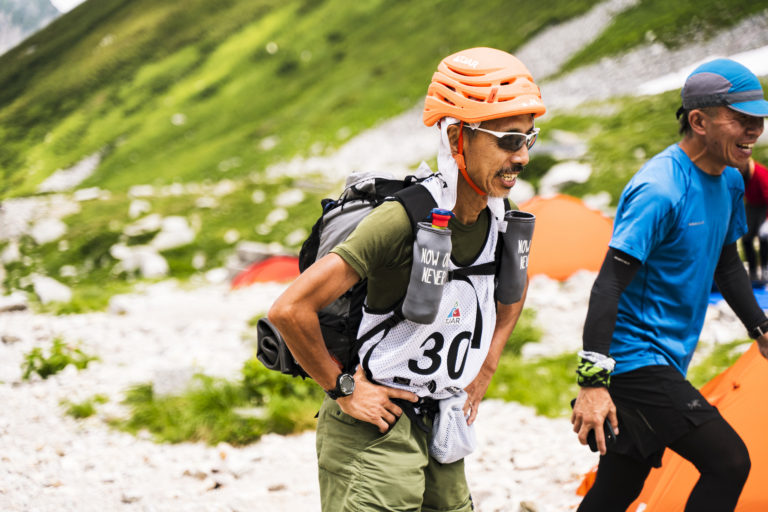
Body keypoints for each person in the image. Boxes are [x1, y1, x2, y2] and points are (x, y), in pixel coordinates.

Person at [268, 47, 545, 512]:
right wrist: (344, 390)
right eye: (507, 140)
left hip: (442, 427)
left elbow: (512, 294)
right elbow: (289, 309)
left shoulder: (503, 220)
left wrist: (486, 368)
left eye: (528, 139)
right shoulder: (402, 220)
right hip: (372, 433)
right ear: (458, 137)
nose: (522, 157)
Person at [571, 58, 768, 512]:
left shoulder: (732, 181)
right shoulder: (660, 188)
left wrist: (760, 329)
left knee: (619, 486)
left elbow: (727, 264)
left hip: (668, 358)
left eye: (758, 118)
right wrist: (593, 382)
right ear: (698, 121)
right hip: (633, 360)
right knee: (729, 462)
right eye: (741, 119)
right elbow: (607, 285)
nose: (754, 129)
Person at [739, 157, 768, 281]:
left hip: (764, 204)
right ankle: (753, 273)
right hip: (752, 204)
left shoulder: (760, 175)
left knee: (764, 237)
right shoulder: (740, 174)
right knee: (746, 238)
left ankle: (765, 269)